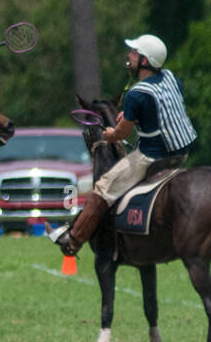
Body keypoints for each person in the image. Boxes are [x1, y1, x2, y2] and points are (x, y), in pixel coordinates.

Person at [50, 34, 196, 257]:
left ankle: (74, 239)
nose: (129, 55)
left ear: (145, 61)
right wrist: (133, 115)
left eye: (134, 53)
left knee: (104, 187)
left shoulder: (136, 94)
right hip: (182, 153)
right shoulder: (170, 77)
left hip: (153, 157)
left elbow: (121, 134)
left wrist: (110, 134)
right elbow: (163, 111)